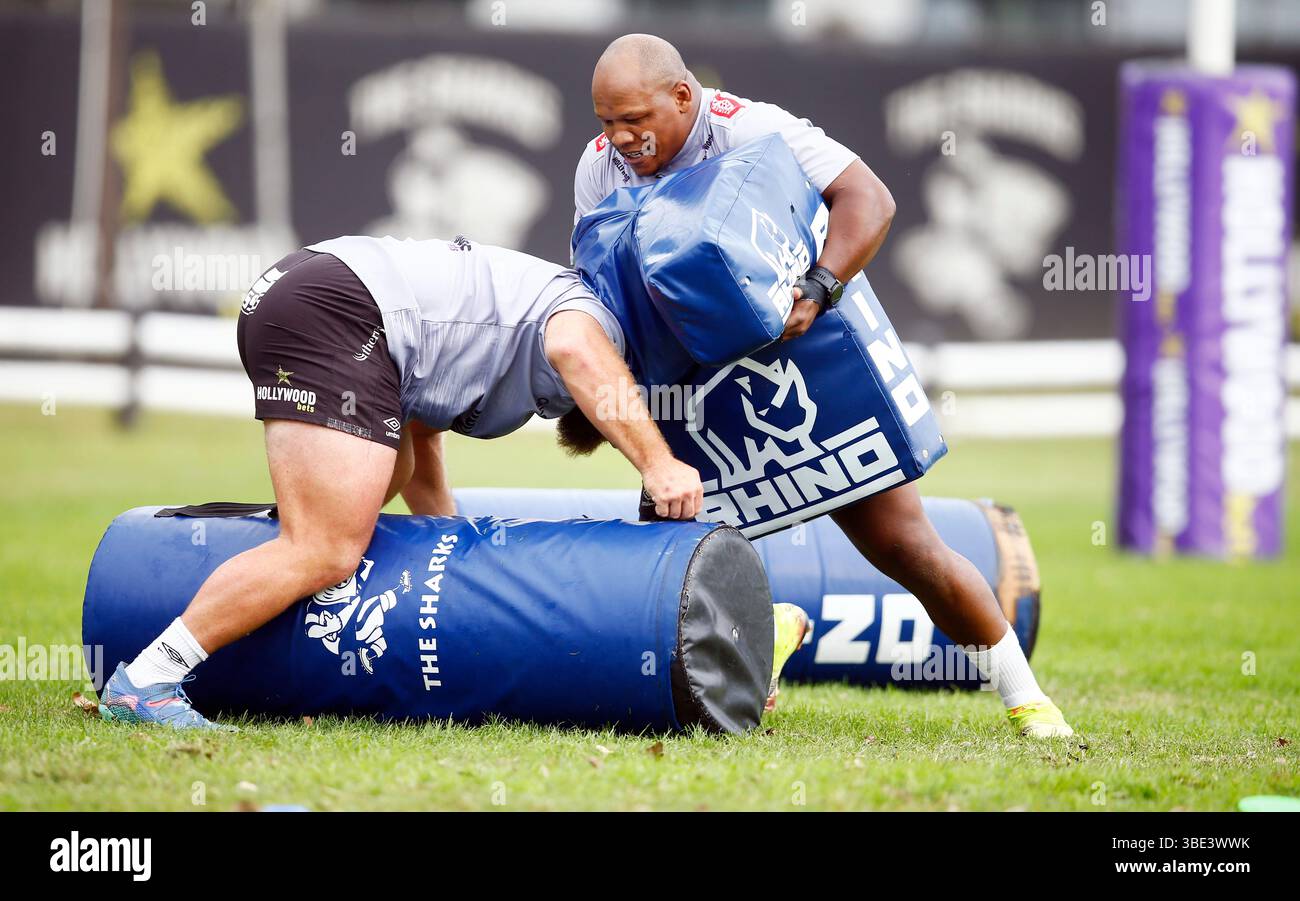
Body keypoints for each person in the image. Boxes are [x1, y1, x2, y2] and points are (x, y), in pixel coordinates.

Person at [566, 33, 1073, 737]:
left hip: (807, 347)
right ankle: (756, 641)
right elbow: (603, 286)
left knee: (905, 546)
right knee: (672, 549)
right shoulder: (599, 170)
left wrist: (819, 286)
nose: (619, 138)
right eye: (605, 122)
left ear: (684, 98)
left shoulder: (755, 129)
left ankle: (1029, 700)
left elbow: (870, 196)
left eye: (633, 120)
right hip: (699, 374)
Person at [97, 234, 708, 730]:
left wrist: (448, 538)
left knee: (399, 470)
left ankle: (268, 559)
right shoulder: (595, 327)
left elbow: (419, 427)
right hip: (335, 307)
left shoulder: (533, 316)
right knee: (325, 549)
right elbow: (577, 350)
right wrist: (657, 464)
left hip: (314, 291)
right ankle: (146, 680)